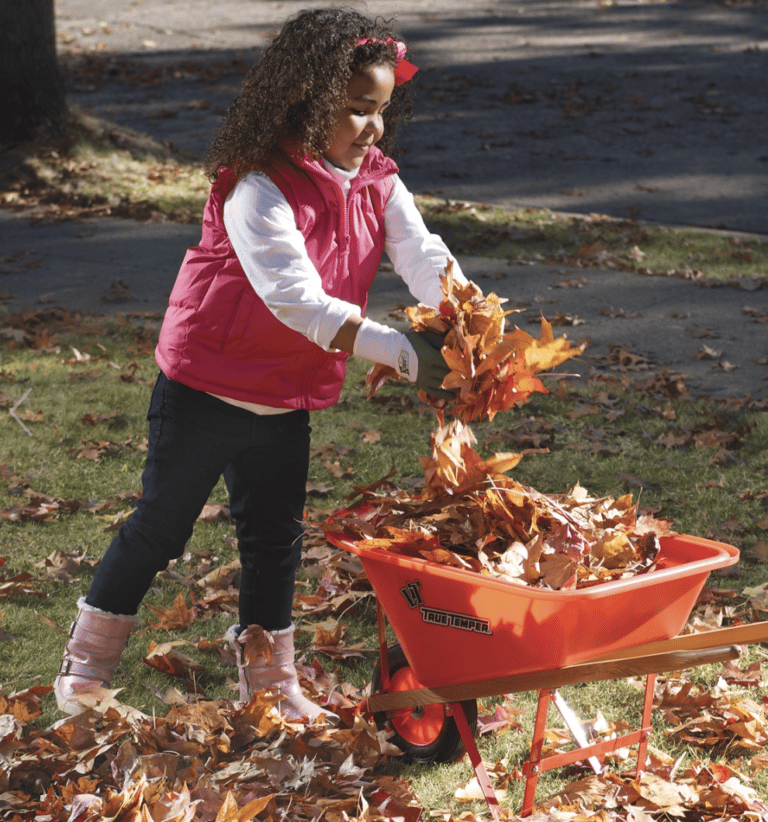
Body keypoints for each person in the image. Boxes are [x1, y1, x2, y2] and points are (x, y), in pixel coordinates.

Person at [54, 7, 467, 723]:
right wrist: (402, 353)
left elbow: (420, 253)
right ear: (307, 104)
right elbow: (294, 299)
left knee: (274, 540)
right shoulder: (259, 184)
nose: (372, 128)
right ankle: (85, 667)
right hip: (207, 384)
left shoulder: (377, 180)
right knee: (162, 525)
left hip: (284, 394)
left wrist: (463, 313)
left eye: (381, 111)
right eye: (356, 110)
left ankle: (270, 684)